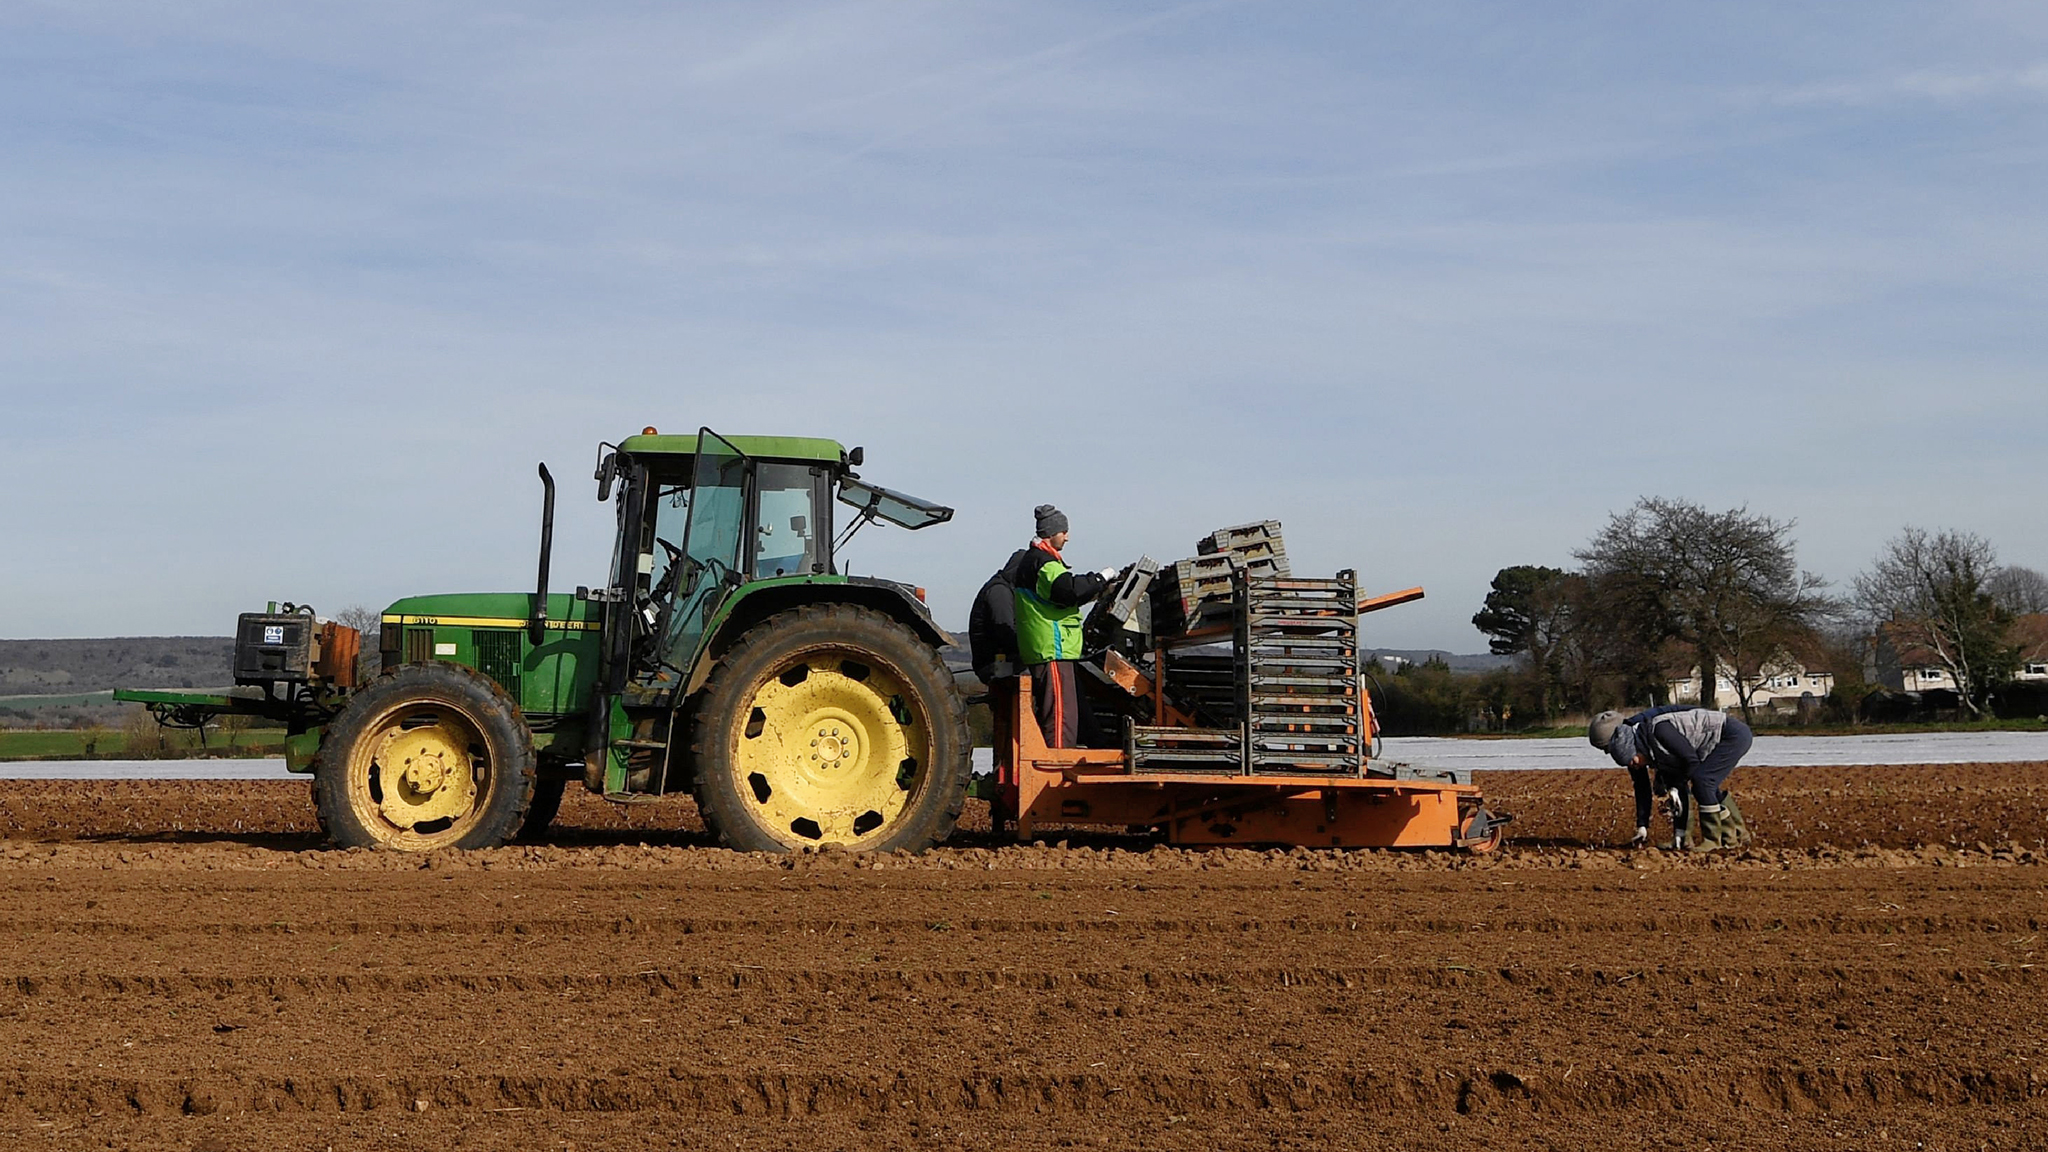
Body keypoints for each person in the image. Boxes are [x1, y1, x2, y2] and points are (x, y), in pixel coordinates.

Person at [1011, 504, 1119, 749]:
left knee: (1063, 711)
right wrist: (1101, 578)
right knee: (1060, 715)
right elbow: (1068, 590)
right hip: (1052, 648)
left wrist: (1097, 591)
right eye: (1064, 532)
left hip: (1048, 648)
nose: (1067, 537)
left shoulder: (1037, 561)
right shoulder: (1043, 562)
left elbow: (1063, 596)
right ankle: (1056, 766)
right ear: (1052, 533)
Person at [1588, 705, 1754, 851]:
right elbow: (1642, 787)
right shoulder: (1638, 749)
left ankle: (1716, 840)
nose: (1634, 766)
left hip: (1729, 735)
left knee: (1703, 782)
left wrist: (1675, 786)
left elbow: (1691, 761)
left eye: (1606, 749)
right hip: (1703, 743)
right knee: (1698, 783)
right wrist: (1642, 827)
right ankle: (1698, 838)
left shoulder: (1658, 731)